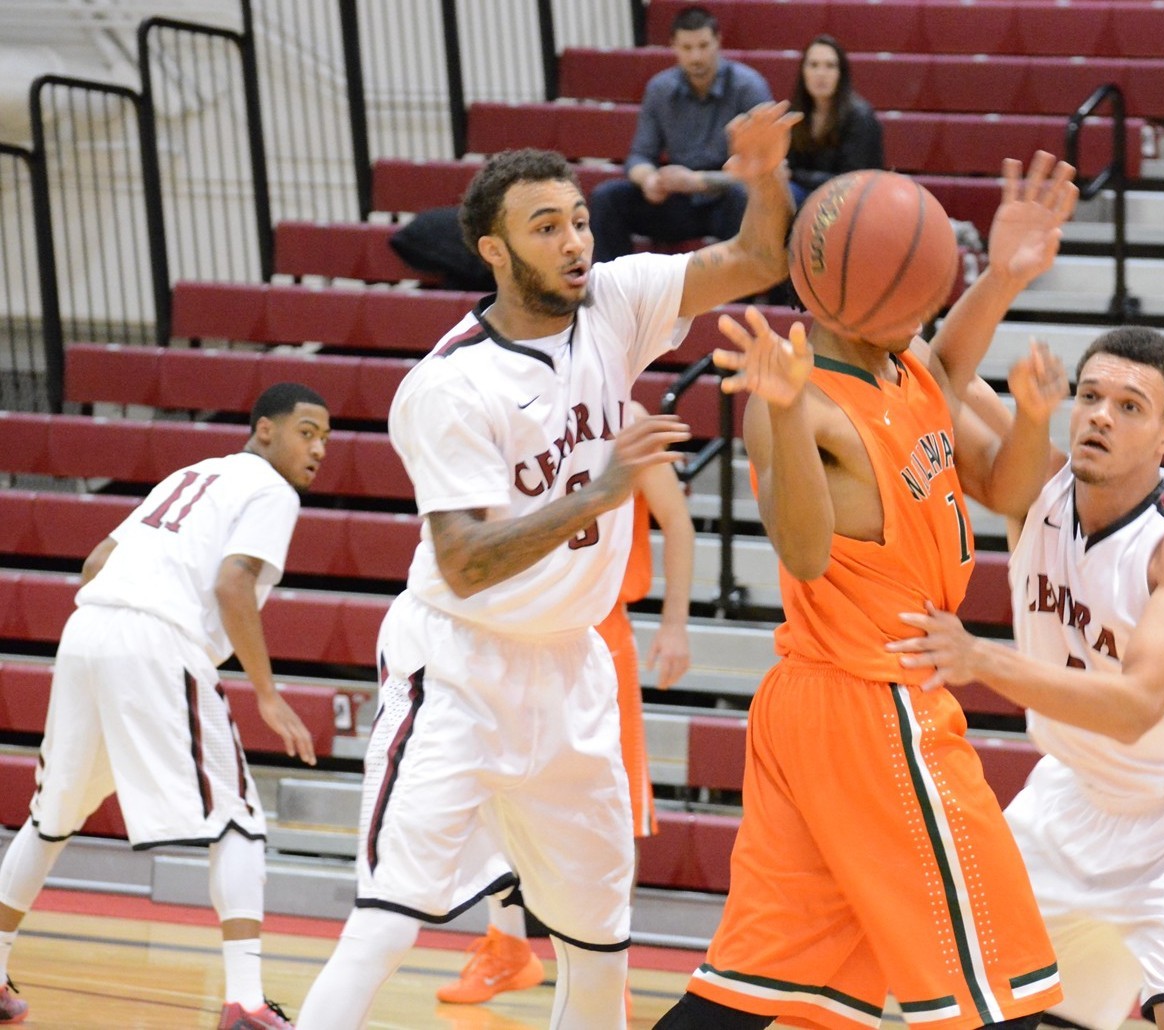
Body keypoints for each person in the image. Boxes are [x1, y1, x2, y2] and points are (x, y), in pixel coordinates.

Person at [294, 99, 796, 1030]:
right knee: (387, 918)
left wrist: (762, 176)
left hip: (573, 669)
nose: (576, 242)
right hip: (460, 666)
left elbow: (758, 261)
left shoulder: (615, 300)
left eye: (577, 220)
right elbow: (468, 562)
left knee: (600, 940)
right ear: (493, 248)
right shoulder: (448, 385)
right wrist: (601, 495)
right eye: (546, 227)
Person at [653, 152, 1079, 1030]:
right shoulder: (805, 401)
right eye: (916, 288)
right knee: (996, 979)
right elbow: (803, 553)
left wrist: (1005, 281)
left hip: (824, 708)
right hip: (871, 704)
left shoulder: (909, 368)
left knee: (754, 981)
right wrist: (773, 411)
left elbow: (1002, 481)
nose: (925, 305)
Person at [891, 328, 1164, 1030]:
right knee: (955, 999)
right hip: (1068, 802)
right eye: (1092, 396)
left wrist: (980, 660)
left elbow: (1134, 707)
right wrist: (988, 277)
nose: (1101, 414)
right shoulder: (1035, 487)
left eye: (1130, 407)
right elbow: (933, 374)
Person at [0, 383, 331, 1030]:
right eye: (307, 431)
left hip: (89, 630)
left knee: (52, 817)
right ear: (264, 429)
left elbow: (97, 561)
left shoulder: (192, 474)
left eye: (325, 437)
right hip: (155, 638)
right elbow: (232, 582)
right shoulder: (271, 490)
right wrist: (267, 694)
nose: (318, 448)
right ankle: (245, 1002)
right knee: (237, 816)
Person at [435, 440, 694, 1006]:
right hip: (517, 627)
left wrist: (674, 624)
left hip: (601, 631)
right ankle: (507, 946)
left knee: (611, 805)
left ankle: (608, 970)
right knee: (493, 787)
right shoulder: (519, 409)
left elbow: (678, 523)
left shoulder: (625, 424)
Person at [588, 5, 774, 264]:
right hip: (677, 198)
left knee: (743, 198)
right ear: (673, 46)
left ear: (718, 42)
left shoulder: (749, 87)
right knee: (606, 197)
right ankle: (614, 289)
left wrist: (697, 181)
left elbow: (761, 171)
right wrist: (650, 179)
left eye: (703, 46)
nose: (696, 57)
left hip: (726, 198)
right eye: (687, 48)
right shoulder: (660, 89)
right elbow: (640, 155)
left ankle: (738, 301)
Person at [786, 34, 885, 207]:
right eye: (813, 65)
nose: (821, 74)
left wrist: (795, 176)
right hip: (806, 194)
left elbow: (853, 180)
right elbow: (787, 166)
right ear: (803, 72)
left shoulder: (860, 117)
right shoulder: (795, 114)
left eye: (830, 66)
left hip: (852, 201)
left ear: (841, 74)